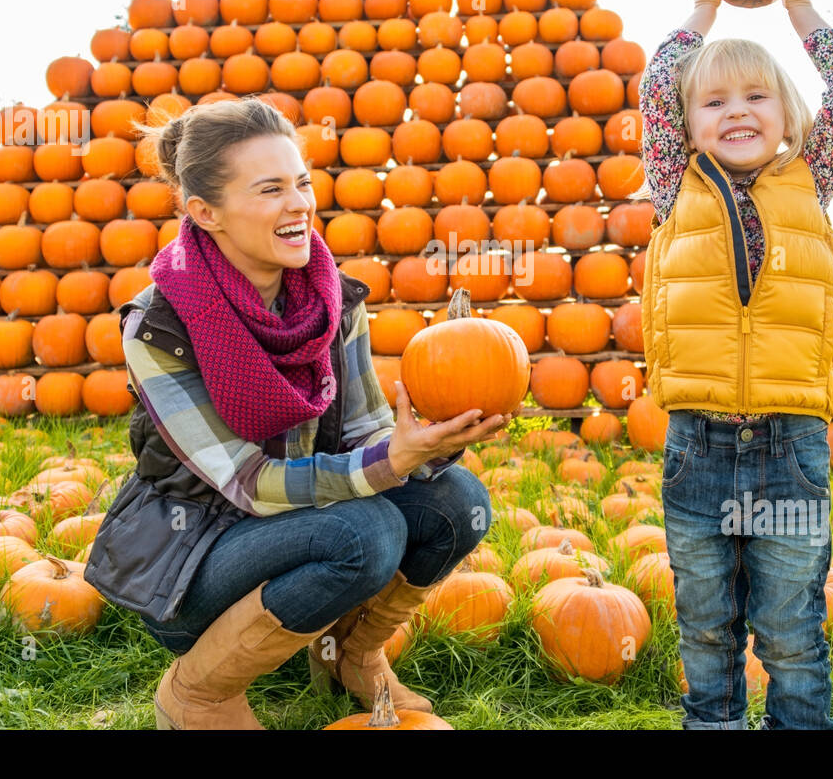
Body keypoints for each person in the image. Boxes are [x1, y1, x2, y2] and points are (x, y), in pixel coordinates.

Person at [83, 98, 513, 730]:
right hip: (197, 553)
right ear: (206, 213)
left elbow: (366, 428)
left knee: (456, 501)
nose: (298, 205)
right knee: (365, 533)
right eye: (270, 189)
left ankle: (352, 655)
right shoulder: (160, 325)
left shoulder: (330, 296)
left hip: (301, 519)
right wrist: (385, 466)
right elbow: (248, 482)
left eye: (302, 183)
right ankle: (199, 690)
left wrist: (427, 446)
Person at [637, 0, 833, 729]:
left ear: (787, 115)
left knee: (792, 632)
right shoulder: (675, 184)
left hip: (790, 448)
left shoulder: (812, 175)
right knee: (705, 628)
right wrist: (703, 8)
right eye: (715, 101)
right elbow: (656, 80)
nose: (736, 111)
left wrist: (799, 4)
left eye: (755, 98)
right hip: (697, 446)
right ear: (687, 124)